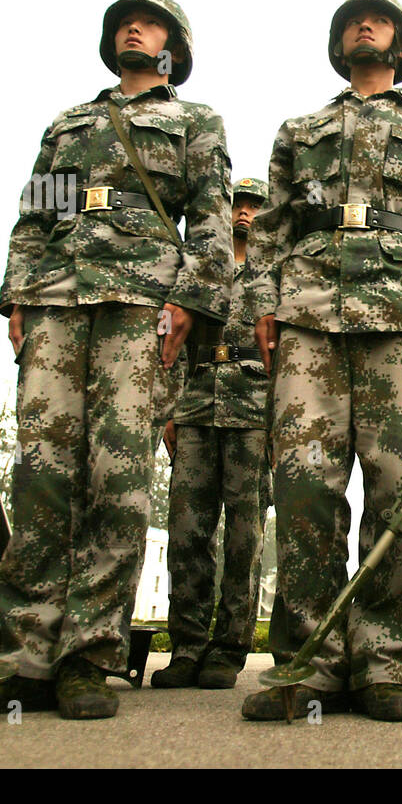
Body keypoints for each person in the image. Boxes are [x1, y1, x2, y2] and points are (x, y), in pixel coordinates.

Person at [0, 0, 232, 719]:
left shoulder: (194, 121)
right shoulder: (72, 122)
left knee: (115, 476)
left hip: (139, 305)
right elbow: (35, 214)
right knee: (42, 472)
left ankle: (88, 655)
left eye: (150, 22)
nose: (133, 26)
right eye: (124, 20)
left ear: (172, 49)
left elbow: (212, 222)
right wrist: (17, 296)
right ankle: (27, 651)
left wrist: (189, 302)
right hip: (59, 301)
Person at [241, 0, 402, 722]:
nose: (363, 25)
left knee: (401, 487)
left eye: (377, 20)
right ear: (339, 46)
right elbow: (271, 228)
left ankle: (384, 659)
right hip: (310, 310)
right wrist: (261, 302)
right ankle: (308, 662)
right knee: (305, 484)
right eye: (351, 21)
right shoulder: (299, 129)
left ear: (401, 47)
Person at [153, 177, 272, 690]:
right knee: (187, 533)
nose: (243, 213)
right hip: (197, 402)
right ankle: (187, 646)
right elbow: (170, 341)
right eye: (236, 204)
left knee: (245, 536)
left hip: (254, 410)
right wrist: (166, 411)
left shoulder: (277, 274)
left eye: (253, 206)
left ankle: (229, 648)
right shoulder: (196, 271)